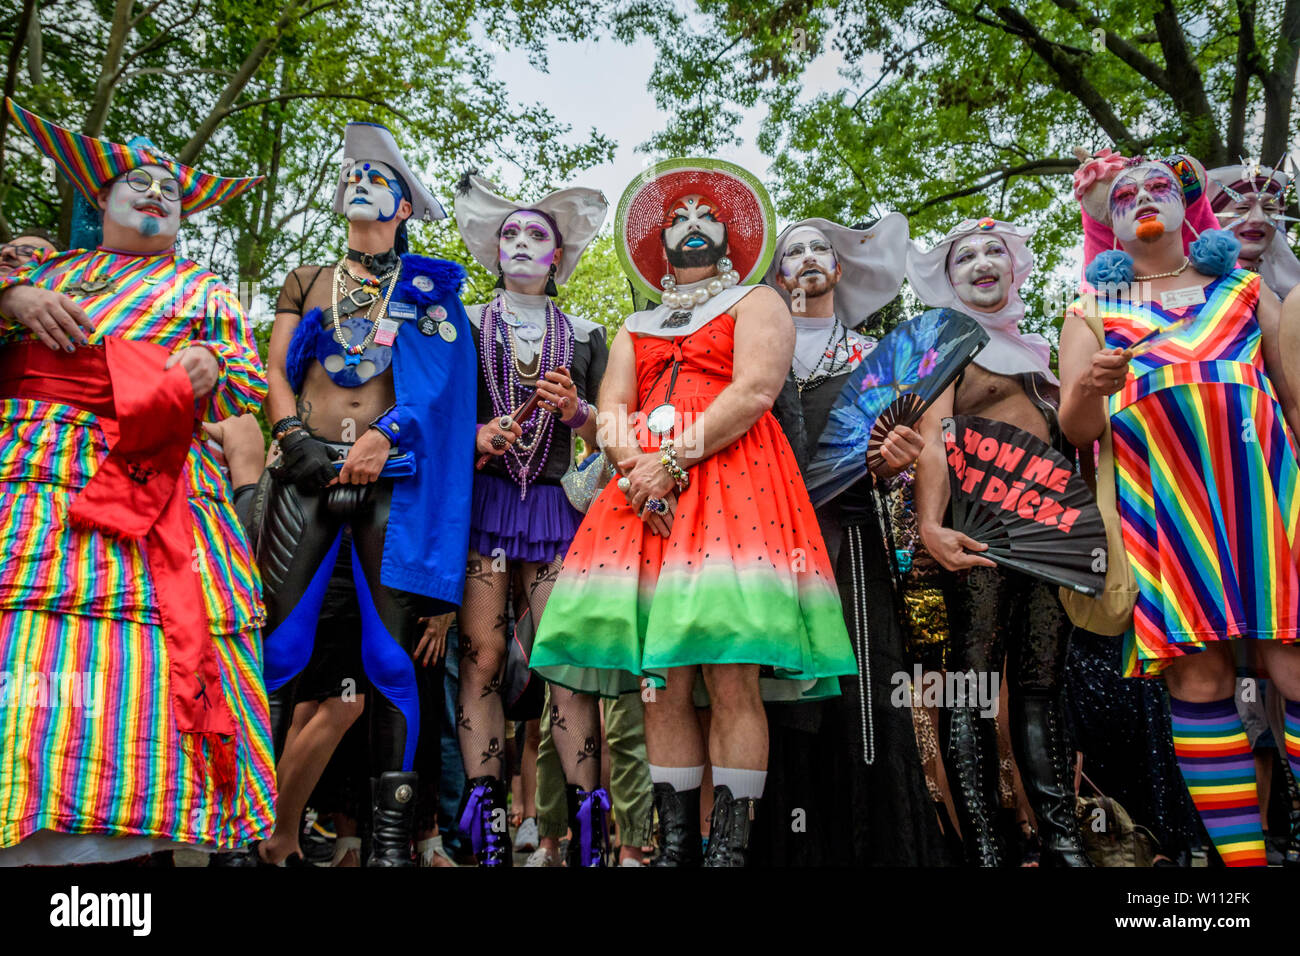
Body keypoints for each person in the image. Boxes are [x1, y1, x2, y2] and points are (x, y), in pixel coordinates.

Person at [528, 158, 858, 867]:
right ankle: (675, 847)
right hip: (640, 496)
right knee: (660, 680)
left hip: (731, 478)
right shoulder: (635, 323)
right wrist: (638, 473)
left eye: (706, 213)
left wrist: (670, 463)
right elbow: (612, 409)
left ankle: (729, 852)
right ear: (659, 243)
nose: (692, 223)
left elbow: (755, 391)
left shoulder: (757, 302)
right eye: (677, 216)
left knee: (730, 672)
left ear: (730, 238)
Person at [0, 98, 274, 864]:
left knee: (144, 665)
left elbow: (249, 385)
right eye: (139, 182)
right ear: (99, 197)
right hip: (37, 485)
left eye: (171, 191)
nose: (157, 193)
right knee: (37, 647)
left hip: (165, 495)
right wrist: (10, 299)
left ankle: (131, 843)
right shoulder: (41, 272)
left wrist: (213, 366)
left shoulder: (208, 292)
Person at [1061, 150, 1300, 866]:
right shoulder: (1091, 309)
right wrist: (1093, 387)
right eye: (1125, 193)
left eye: (1157, 186)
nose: (1142, 197)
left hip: (1262, 496)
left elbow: (1292, 398)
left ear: (1186, 207)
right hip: (1161, 506)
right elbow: (1078, 427)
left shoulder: (1250, 291)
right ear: (1108, 223)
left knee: (1292, 664)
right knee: (1199, 678)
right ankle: (1245, 869)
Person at [258, 119, 477, 866]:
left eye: (377, 178)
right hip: (304, 475)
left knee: (389, 661)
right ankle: (246, 833)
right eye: (353, 176)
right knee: (279, 652)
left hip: (394, 485)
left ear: (405, 209)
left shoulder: (431, 286)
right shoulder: (307, 278)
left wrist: (387, 432)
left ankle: (389, 844)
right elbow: (277, 370)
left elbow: (445, 390)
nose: (360, 183)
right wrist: (289, 437)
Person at [753, 215, 951, 865]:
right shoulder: (757, 356)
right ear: (778, 279)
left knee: (865, 697)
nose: (808, 258)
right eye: (793, 252)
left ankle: (875, 849)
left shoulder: (875, 357)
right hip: (771, 551)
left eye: (820, 249)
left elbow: (920, 454)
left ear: (837, 270)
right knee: (782, 700)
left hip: (856, 546)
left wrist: (900, 470)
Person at [908, 215, 1090, 866]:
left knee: (1041, 687)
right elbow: (932, 438)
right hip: (979, 534)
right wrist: (932, 526)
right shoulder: (948, 348)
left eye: (994, 251)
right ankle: (987, 849)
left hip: (1051, 539)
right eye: (964, 258)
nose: (982, 262)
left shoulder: (1045, 349)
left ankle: (1063, 844)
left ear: (1015, 269)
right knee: (973, 687)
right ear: (950, 281)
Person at [451, 173, 613, 866]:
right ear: (495, 250)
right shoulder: (458, 324)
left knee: (565, 660)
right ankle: (485, 817)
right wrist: (475, 437)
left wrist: (577, 411)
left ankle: (586, 824)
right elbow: (436, 417)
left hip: (555, 511)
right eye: (510, 233)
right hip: (484, 509)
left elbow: (615, 431)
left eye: (537, 235)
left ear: (558, 256)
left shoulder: (586, 334)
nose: (521, 242)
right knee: (483, 654)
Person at [1208, 161, 1300, 300]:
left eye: (1269, 209)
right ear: (1211, 217)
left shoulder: (1290, 294)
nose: (1258, 219)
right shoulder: (1189, 286)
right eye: (1242, 208)